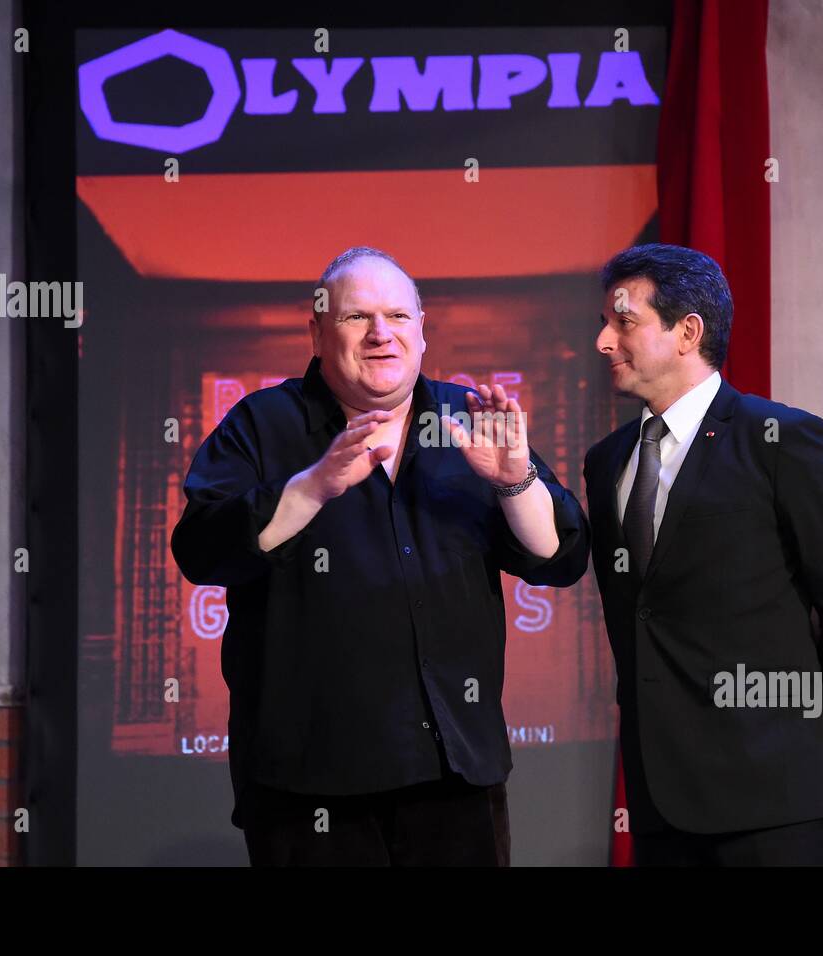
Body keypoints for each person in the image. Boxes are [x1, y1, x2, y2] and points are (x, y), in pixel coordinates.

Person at [170, 246, 589, 866]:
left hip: (455, 773)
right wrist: (311, 487)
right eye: (355, 317)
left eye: (397, 316)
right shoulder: (262, 425)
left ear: (423, 330)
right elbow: (202, 551)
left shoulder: (466, 420)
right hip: (310, 785)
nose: (380, 335)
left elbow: (559, 557)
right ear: (316, 331)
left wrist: (514, 481)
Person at [584, 243, 823, 866]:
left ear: (687, 332)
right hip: (661, 804)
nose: (603, 342)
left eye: (624, 322)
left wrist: (816, 728)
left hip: (781, 797)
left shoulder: (781, 438)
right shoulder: (606, 461)